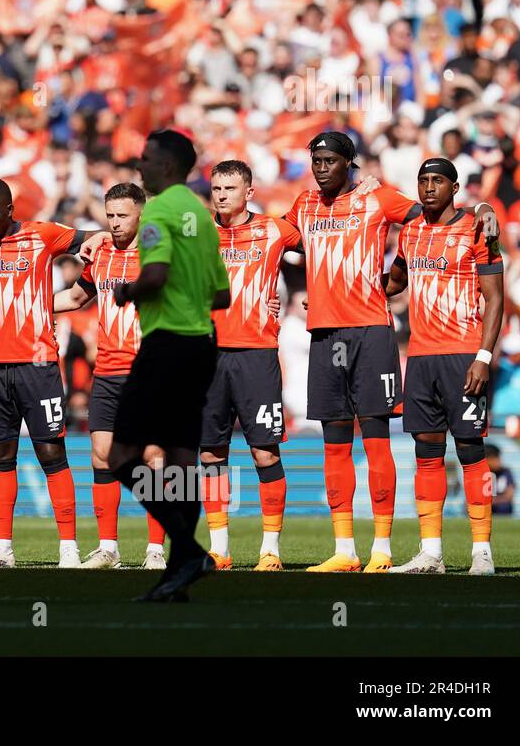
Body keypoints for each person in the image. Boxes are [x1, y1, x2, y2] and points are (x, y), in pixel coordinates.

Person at [283, 132, 497, 574]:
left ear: (350, 163)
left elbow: (437, 212)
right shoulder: (304, 205)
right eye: (316, 161)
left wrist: (485, 208)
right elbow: (267, 237)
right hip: (329, 336)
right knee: (342, 443)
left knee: (390, 439)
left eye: (329, 160)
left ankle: (387, 547)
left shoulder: (381, 199)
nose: (321, 168)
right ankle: (348, 550)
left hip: (378, 337)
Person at [109, 131, 230, 602]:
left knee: (120, 455)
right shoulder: (201, 213)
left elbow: (155, 276)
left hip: (167, 344)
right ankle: (180, 573)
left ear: (169, 165)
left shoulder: (157, 211)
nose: (140, 166)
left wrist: (126, 292)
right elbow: (222, 294)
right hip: (203, 343)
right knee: (180, 458)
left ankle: (186, 548)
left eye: (147, 159)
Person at [0, 178, 104, 568]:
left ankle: (69, 548)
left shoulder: (44, 235)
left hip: (37, 363)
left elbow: (94, 237)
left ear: (10, 211)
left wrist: (103, 237)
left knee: (51, 452)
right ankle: (1, 547)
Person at [385, 157, 503, 575]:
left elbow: (495, 298)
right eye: (423, 180)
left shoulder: (478, 228)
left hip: (464, 354)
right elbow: (394, 282)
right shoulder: (412, 231)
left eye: (438, 181)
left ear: (454, 187)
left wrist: (483, 358)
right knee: (427, 454)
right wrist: (340, 292)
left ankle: (481, 553)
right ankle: (430, 553)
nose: (429, 187)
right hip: (420, 357)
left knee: (471, 450)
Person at [52, 182, 168, 568]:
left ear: (141, 214)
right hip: (107, 371)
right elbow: (74, 298)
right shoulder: (99, 255)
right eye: (111, 216)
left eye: (123, 216)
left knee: (154, 457)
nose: (115, 223)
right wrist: (32, 304)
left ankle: (156, 550)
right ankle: (109, 548)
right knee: (101, 457)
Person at [202, 160, 299, 572]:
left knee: (263, 451)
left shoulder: (276, 230)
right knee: (209, 454)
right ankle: (219, 549)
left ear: (249, 192)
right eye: (217, 188)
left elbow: (326, 239)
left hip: (257, 355)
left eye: (230, 188)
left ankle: (270, 550)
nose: (221, 195)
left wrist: (295, 300)